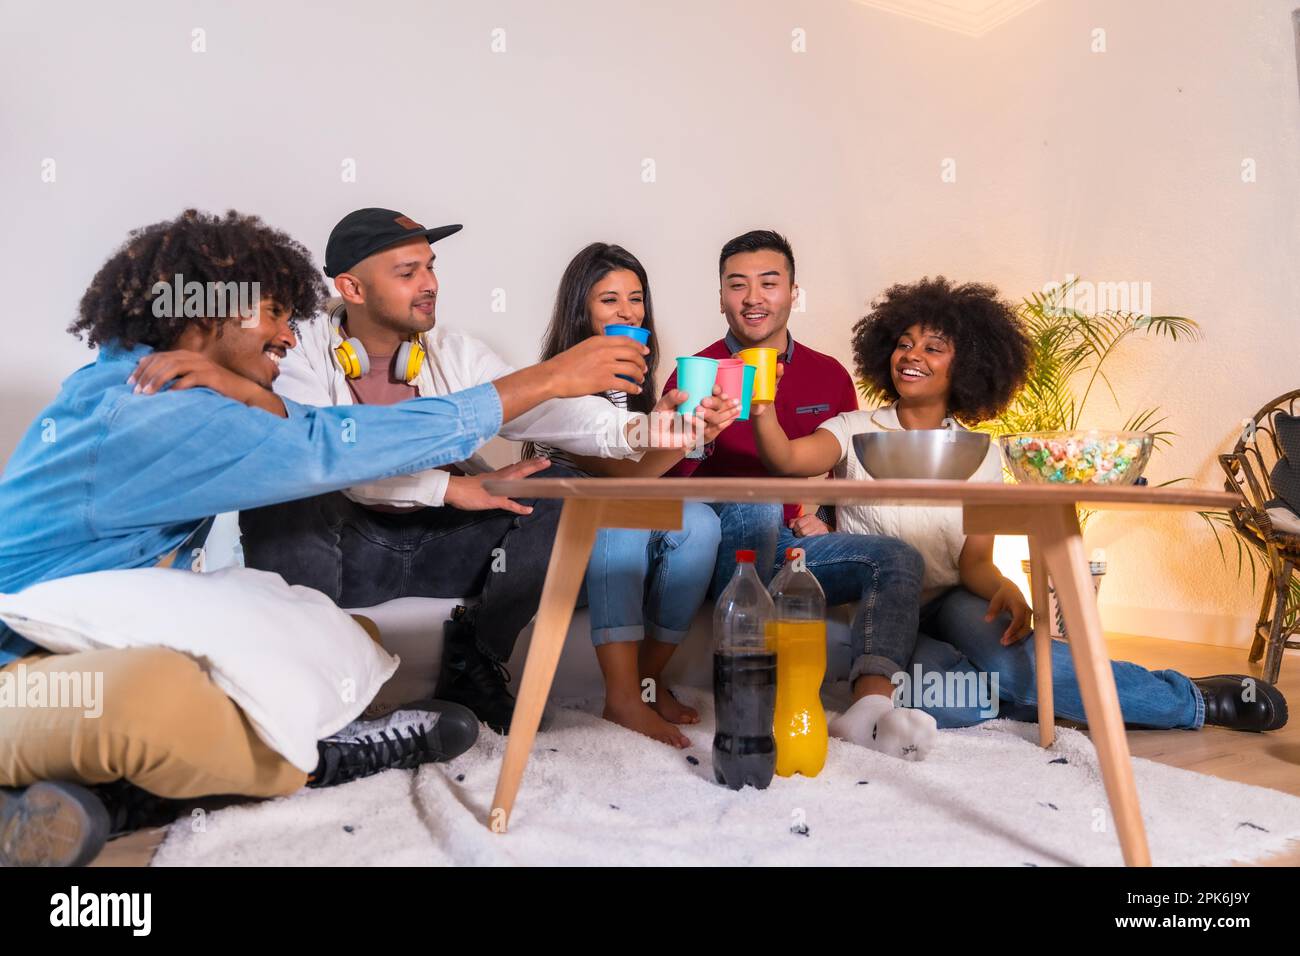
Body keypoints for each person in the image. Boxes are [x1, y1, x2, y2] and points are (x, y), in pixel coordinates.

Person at [0, 209, 652, 866]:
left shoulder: (162, 385)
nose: (288, 333)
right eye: (274, 312)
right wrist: (542, 379)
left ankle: (117, 790)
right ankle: (314, 763)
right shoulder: (147, 401)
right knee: (156, 695)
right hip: (16, 678)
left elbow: (303, 430)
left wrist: (651, 430)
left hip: (69, 651)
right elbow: (324, 447)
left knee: (332, 644)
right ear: (206, 312)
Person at [752, 275, 1288, 753]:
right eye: (904, 343)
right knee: (967, 702)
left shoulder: (980, 452)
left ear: (966, 366)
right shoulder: (851, 429)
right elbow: (787, 458)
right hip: (882, 614)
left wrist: (1003, 586)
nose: (912, 354)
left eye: (934, 347)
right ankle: (1036, 695)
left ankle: (1192, 700)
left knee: (1024, 664)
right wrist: (762, 405)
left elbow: (974, 561)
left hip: (950, 600)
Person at [238, 209, 706, 735]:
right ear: (352, 287)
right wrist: (447, 487)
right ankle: (310, 687)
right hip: (347, 549)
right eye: (407, 272)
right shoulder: (296, 349)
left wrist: (641, 431)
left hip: (441, 549)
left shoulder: (455, 352)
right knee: (282, 493)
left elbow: (544, 407)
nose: (429, 285)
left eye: (431, 268)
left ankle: (475, 661)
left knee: (553, 490)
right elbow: (322, 455)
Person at [531, 243, 740, 747]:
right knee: (619, 516)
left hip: (614, 521)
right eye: (609, 301)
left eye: (636, 298)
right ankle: (622, 697)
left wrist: (694, 432)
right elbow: (616, 475)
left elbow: (636, 476)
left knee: (702, 524)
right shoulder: (557, 385)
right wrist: (689, 435)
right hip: (559, 542)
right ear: (580, 309)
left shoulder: (634, 388)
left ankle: (647, 681)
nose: (628, 312)